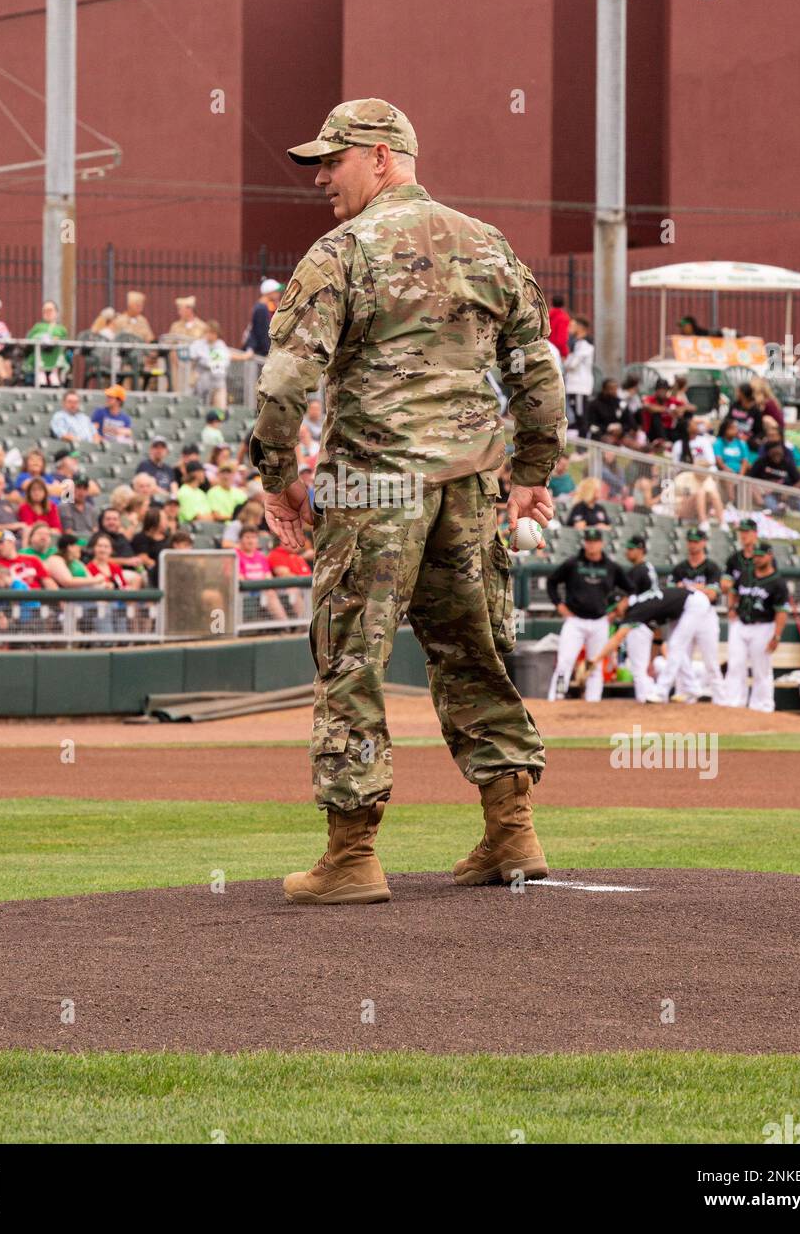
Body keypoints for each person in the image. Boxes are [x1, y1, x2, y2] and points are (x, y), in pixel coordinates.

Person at [253, 97, 564, 904]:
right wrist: (533, 470)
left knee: (353, 658)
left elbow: (286, 377)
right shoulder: (488, 244)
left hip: (372, 485)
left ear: (383, 157)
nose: (322, 176)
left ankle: (351, 854)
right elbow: (538, 367)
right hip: (469, 481)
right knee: (477, 649)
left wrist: (276, 472)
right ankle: (511, 832)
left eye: (335, 159)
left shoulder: (342, 251)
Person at [546, 528, 630, 701]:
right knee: (565, 662)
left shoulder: (611, 567)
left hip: (600, 621)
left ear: (602, 543)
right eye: (589, 541)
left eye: (595, 541)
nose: (592, 545)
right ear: (584, 543)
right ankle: (556, 696)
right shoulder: (573, 563)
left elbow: (630, 589)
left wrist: (617, 610)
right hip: (575, 620)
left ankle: (593, 702)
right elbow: (551, 582)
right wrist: (559, 605)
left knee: (595, 665)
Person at [652, 528, 727, 704]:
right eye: (690, 541)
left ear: (703, 543)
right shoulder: (680, 568)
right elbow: (671, 592)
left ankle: (721, 701)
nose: (693, 544)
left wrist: (687, 588)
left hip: (706, 617)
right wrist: (700, 588)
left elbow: (713, 594)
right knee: (680, 656)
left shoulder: (711, 567)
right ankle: (682, 695)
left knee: (711, 661)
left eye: (696, 541)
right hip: (684, 615)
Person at [723, 541, 788, 712]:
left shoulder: (778, 582)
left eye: (761, 555)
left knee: (761, 668)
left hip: (763, 626)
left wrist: (776, 636)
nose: (757, 558)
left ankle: (762, 706)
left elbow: (781, 612)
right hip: (740, 624)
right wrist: (730, 608)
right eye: (755, 555)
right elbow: (733, 591)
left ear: (770, 556)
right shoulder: (745, 574)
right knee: (735, 664)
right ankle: (734, 702)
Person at [620, 533, 664, 702]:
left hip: (640, 621)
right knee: (644, 666)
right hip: (651, 619)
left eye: (631, 549)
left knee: (639, 669)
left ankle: (646, 700)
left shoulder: (638, 570)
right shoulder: (648, 568)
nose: (627, 552)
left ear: (641, 550)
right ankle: (649, 697)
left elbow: (626, 600)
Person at [165, 294, 206, 391]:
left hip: (194, 368)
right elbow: (169, 344)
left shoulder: (202, 327)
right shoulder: (175, 326)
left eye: (181, 309)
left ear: (189, 309)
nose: (179, 312)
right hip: (178, 368)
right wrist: (173, 354)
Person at [25, 300, 69, 385]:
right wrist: (41, 338)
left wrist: (56, 340)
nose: (47, 313)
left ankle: (54, 375)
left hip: (55, 354)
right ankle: (41, 376)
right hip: (39, 354)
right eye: (45, 311)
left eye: (50, 310)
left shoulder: (61, 329)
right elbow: (30, 339)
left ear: (56, 312)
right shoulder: (37, 327)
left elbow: (65, 342)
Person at [562, 317, 594, 434]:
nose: (569, 328)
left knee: (581, 417)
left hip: (580, 386)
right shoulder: (577, 344)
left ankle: (583, 450)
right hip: (573, 385)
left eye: (572, 325)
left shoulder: (585, 344)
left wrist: (565, 360)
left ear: (580, 327)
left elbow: (572, 364)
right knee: (577, 416)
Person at [245, 279, 283, 357]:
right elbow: (262, 331)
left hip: (261, 350)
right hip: (260, 351)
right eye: (276, 291)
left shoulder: (265, 306)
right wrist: (267, 350)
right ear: (269, 292)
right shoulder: (261, 308)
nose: (279, 293)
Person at [547, 293, 570, 359]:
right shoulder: (563, 317)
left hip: (547, 348)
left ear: (551, 303)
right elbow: (561, 339)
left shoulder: (547, 316)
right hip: (559, 351)